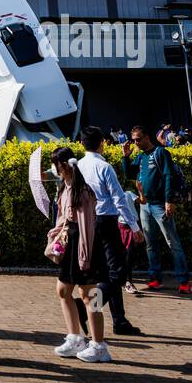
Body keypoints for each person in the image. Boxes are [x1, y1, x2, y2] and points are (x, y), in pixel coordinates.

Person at [48, 147, 112, 363]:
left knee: (91, 295)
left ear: (63, 166)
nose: (53, 169)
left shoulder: (82, 191)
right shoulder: (65, 188)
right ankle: (75, 337)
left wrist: (85, 256)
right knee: (63, 290)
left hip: (85, 246)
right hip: (71, 243)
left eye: (55, 164)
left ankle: (99, 345)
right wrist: (55, 233)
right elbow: (65, 217)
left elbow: (87, 227)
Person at [77, 127, 143, 337]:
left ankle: (119, 320)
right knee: (118, 273)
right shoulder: (104, 167)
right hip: (106, 221)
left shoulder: (78, 166)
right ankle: (88, 308)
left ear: (82, 144)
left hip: (87, 222)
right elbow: (119, 199)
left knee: (108, 273)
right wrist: (134, 226)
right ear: (101, 143)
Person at [122, 125, 192, 294]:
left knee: (173, 243)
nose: (136, 143)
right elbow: (129, 174)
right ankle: (155, 278)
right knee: (150, 244)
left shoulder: (161, 153)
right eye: (134, 140)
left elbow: (169, 176)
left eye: (138, 139)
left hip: (160, 204)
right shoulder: (141, 156)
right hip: (145, 205)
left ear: (147, 137)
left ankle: (184, 281)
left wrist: (169, 200)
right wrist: (125, 157)